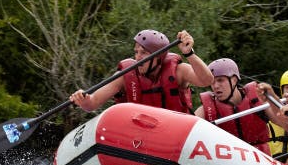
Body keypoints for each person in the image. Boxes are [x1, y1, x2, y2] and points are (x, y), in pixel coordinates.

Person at [69, 29, 213, 113]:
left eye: (143, 52)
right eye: (136, 52)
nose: (137, 57)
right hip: (138, 139)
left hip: (175, 136)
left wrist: (189, 54)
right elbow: (92, 104)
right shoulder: (125, 76)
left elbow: (207, 80)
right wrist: (84, 99)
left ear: (158, 56)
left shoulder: (178, 71)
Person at [194, 58, 287, 155]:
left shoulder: (256, 101)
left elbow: (285, 123)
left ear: (234, 80)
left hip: (260, 160)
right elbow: (187, 128)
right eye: (212, 82)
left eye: (220, 80)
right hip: (227, 162)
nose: (216, 86)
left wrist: (276, 101)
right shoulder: (206, 110)